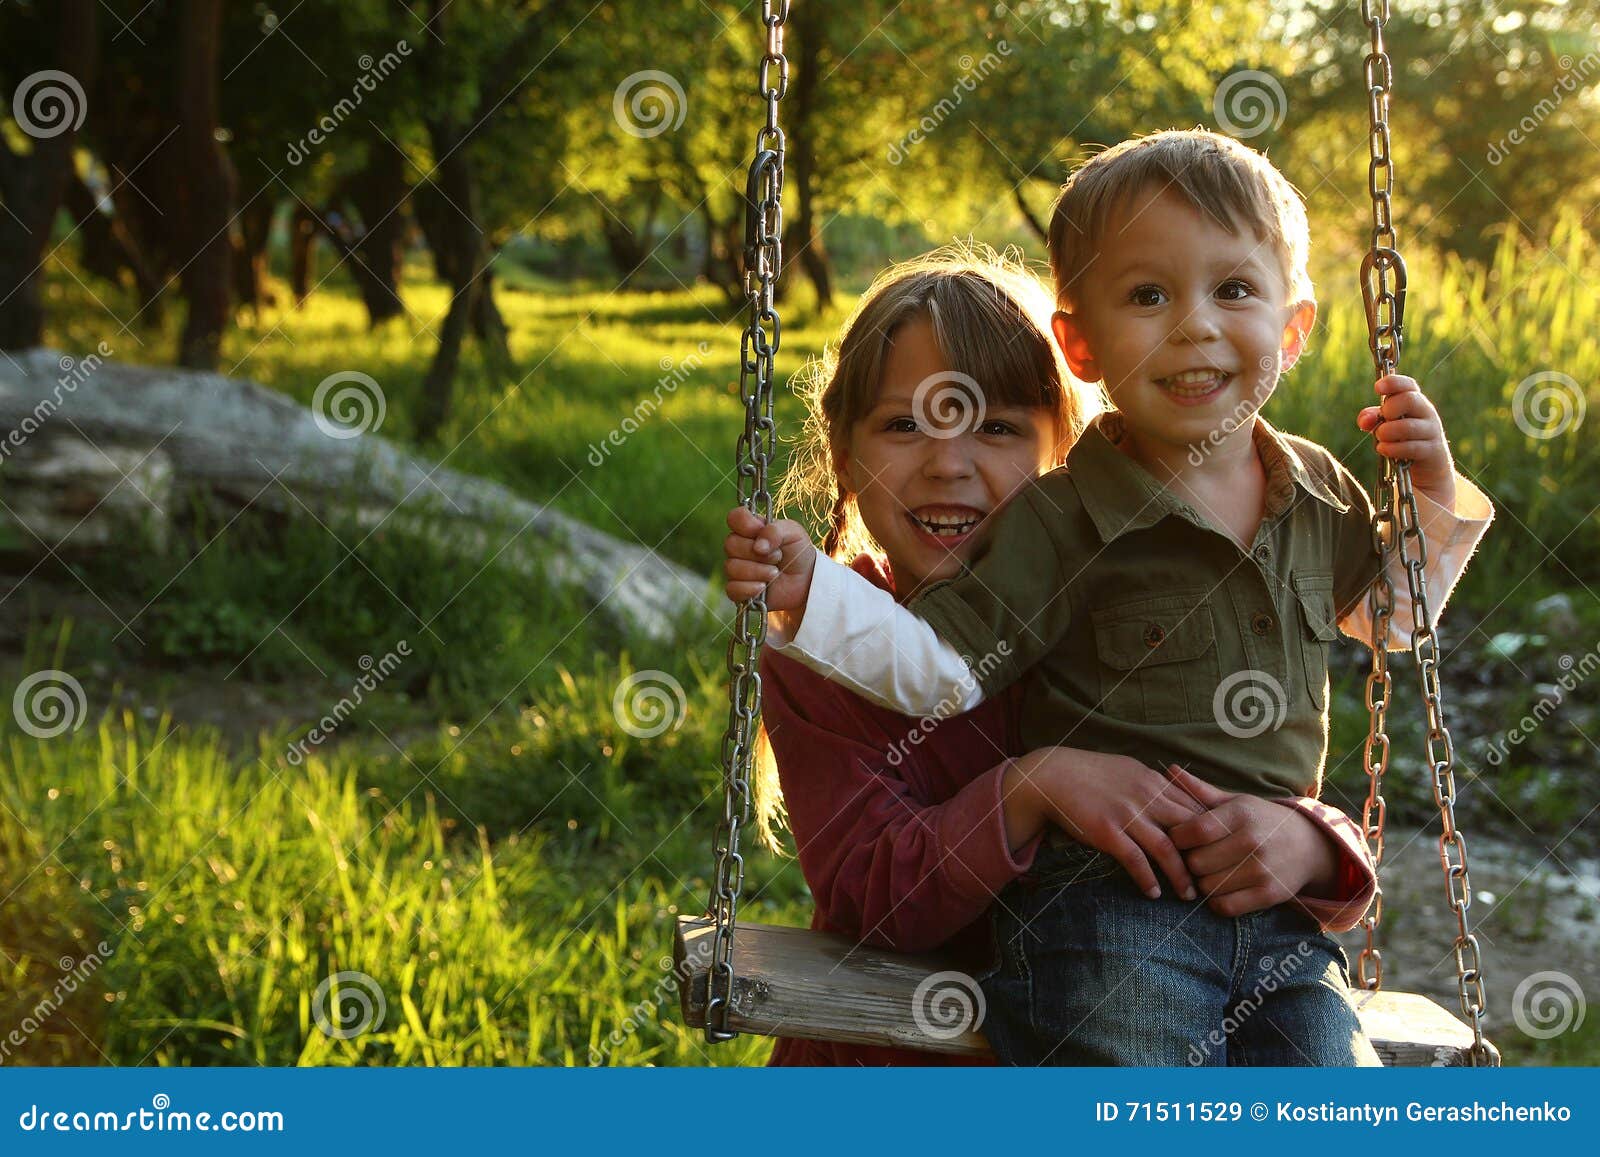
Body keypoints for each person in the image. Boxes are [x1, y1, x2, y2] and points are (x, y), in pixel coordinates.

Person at [727, 131, 1496, 1065]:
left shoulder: (1315, 488)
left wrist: (1428, 500)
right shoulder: (1041, 543)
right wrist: (816, 601)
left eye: (1000, 425)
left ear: (1293, 329)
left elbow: (1390, 619)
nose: (1194, 326)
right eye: (1148, 295)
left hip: (1266, 924)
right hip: (1022, 980)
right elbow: (923, 698)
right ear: (1085, 347)